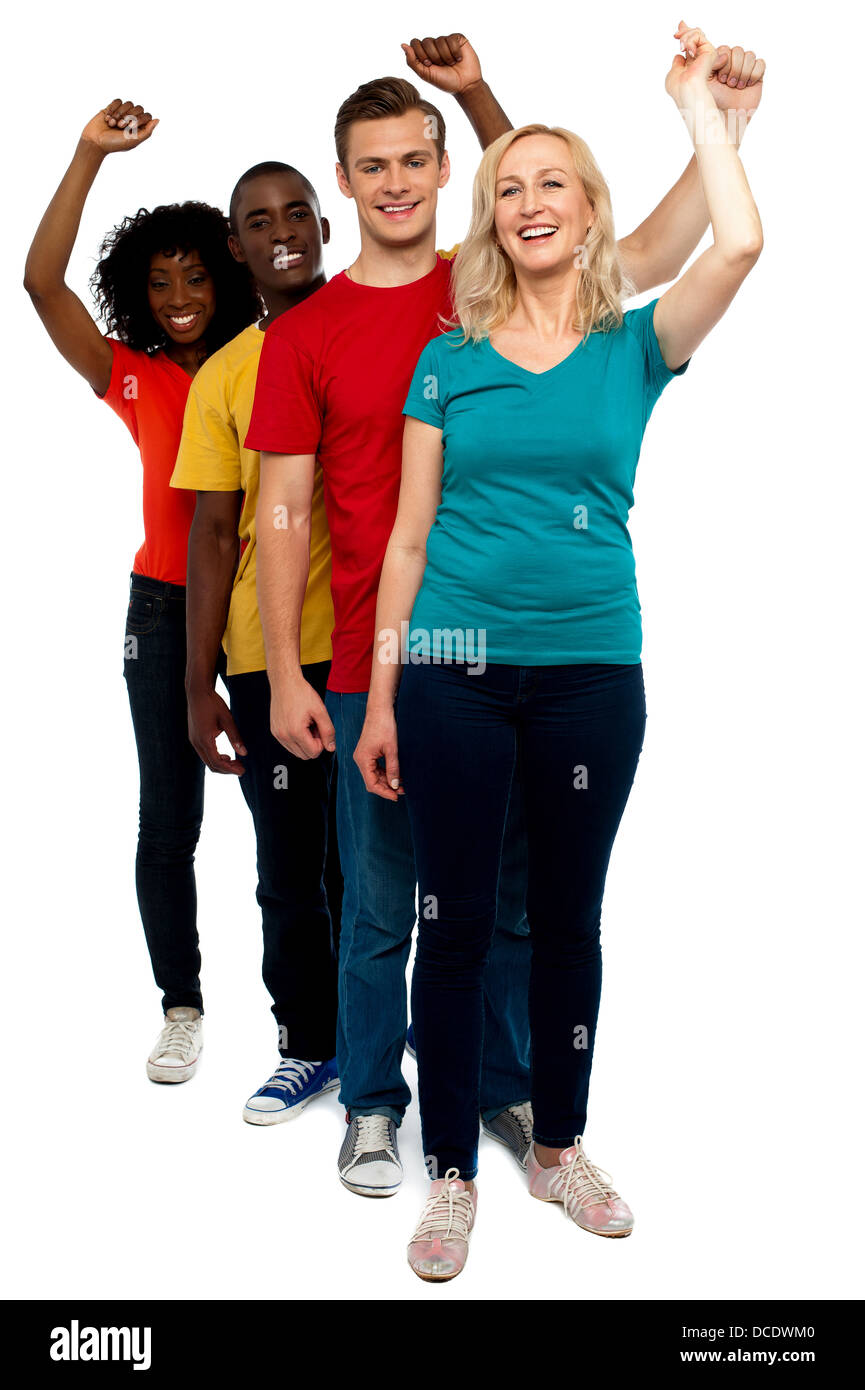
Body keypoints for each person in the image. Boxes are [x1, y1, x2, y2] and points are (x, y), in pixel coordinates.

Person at [248, 30, 762, 1198]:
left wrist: (709, 120)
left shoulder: (553, 316)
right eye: (368, 165)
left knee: (533, 910)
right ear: (346, 183)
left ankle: (517, 1103)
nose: (394, 183)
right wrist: (308, 673)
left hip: (565, 664)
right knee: (395, 906)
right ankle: (385, 1113)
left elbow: (652, 235)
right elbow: (309, 518)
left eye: (413, 160)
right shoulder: (371, 338)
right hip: (411, 648)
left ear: (439, 174)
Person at [24, 100, 261, 1085]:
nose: (176, 296)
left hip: (270, 613)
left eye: (194, 276)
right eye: (158, 281)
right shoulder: (131, 376)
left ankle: (332, 1012)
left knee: (310, 820)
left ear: (225, 278)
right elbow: (40, 284)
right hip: (163, 614)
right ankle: (181, 1005)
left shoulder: (269, 364)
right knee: (169, 821)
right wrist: (88, 155)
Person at [171, 162, 344, 1124]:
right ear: (233, 247)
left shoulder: (377, 326)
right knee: (287, 866)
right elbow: (208, 533)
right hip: (263, 654)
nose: (280, 231)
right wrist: (198, 687)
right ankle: (305, 1045)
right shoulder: (228, 373)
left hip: (376, 647)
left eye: (295, 213)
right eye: (255, 221)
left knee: (370, 866)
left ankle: (377, 1048)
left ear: (325, 224)